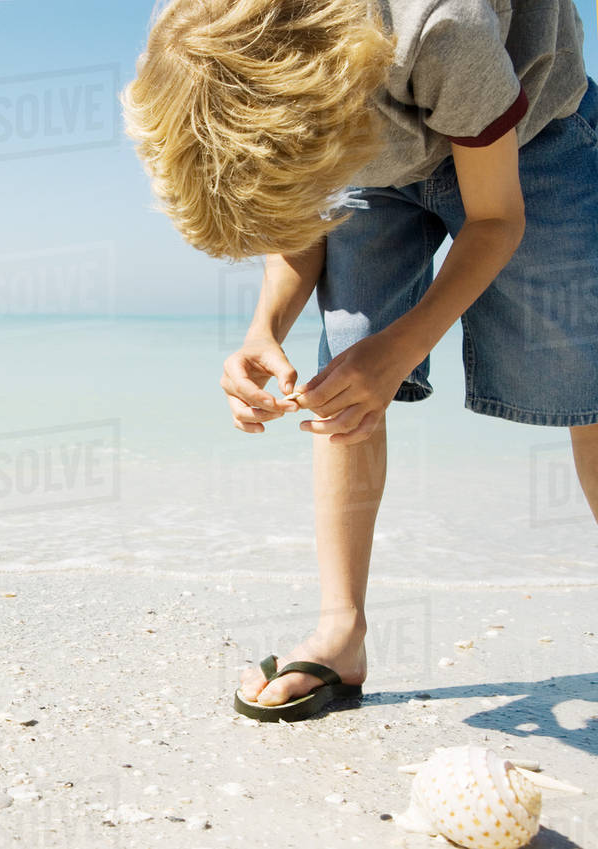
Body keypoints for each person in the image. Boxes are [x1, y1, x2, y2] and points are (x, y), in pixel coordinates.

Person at [122, 0, 598, 721]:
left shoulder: (443, 24)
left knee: (586, 383)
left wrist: (404, 345)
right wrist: (264, 326)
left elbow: (497, 218)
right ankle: (341, 632)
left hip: (531, 132)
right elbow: (296, 207)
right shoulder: (210, 42)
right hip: (364, 148)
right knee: (342, 377)